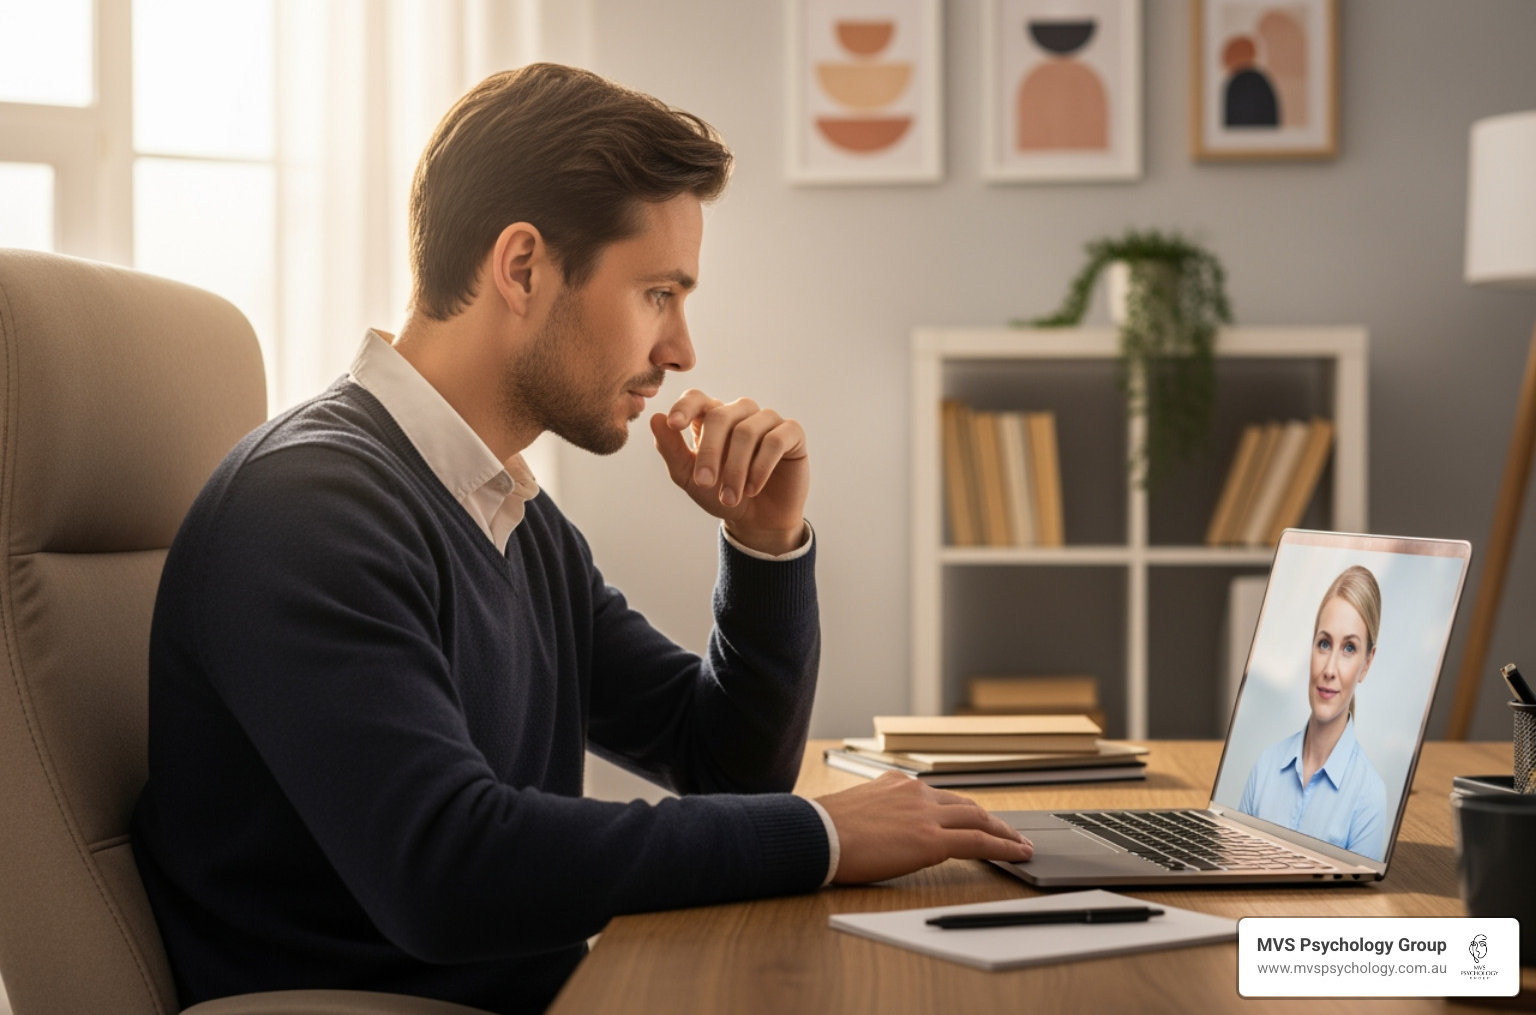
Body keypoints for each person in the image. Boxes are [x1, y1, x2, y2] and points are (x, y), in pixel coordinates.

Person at [130, 63, 1032, 1015]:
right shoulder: (308, 506)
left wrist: (766, 545)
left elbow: (725, 765)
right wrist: (822, 835)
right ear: (522, 267)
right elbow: (447, 866)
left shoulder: (507, 515)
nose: (682, 348)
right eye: (658, 293)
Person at [1237, 565, 1388, 860]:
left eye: (1349, 648)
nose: (1329, 670)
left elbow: (1353, 906)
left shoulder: (1368, 796)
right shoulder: (1265, 768)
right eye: (1324, 643)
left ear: (1367, 664)